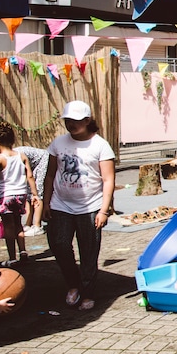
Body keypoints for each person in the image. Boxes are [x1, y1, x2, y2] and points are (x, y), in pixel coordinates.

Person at [43, 100, 115, 311]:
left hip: (90, 206)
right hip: (61, 204)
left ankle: (88, 292)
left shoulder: (100, 145)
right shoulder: (58, 143)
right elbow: (50, 175)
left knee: (88, 251)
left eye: (76, 121)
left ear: (87, 120)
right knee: (59, 243)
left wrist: (103, 210)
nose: (71, 125)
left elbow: (108, 179)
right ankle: (73, 284)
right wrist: (46, 202)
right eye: (68, 121)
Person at [0, 124, 39, 266]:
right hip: (21, 194)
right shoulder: (22, 156)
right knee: (18, 224)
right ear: (13, 140)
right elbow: (30, 176)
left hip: (6, 196)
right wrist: (35, 194)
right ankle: (23, 251)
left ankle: (12, 257)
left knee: (8, 227)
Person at [14, 145, 49, 236]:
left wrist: (35, 192)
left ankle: (37, 226)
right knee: (29, 192)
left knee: (37, 190)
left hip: (42, 159)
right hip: (33, 165)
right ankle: (28, 224)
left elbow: (28, 175)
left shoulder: (13, 156)